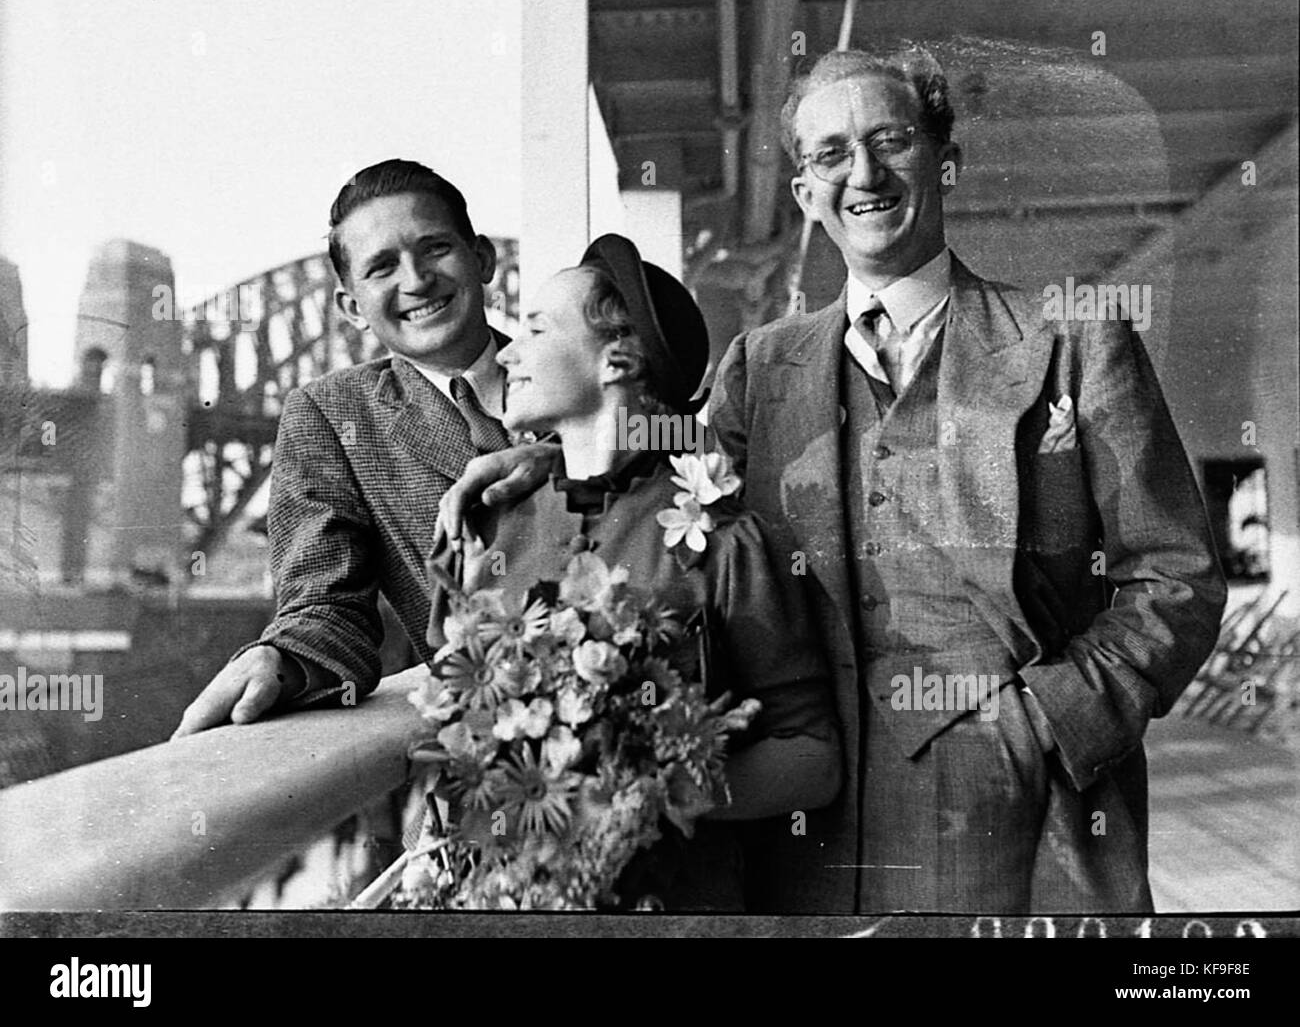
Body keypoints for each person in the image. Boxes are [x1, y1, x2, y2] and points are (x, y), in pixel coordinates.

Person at [444, 47, 1227, 915]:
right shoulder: (762, 365)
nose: (863, 173)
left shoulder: (1073, 342)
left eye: (890, 140)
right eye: (828, 156)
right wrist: (547, 459)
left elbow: (1174, 576)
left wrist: (1049, 719)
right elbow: (668, 490)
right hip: (807, 831)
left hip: (1028, 827)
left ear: (945, 160)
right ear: (805, 195)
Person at [426, 235, 841, 909]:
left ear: (618, 359)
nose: (505, 352)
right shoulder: (490, 522)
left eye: (533, 329)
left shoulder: (721, 537)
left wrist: (647, 799)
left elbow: (813, 756)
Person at [172, 159, 556, 737]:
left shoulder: (574, 369)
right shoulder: (330, 415)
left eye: (434, 249)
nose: (416, 280)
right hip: (495, 755)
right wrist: (283, 660)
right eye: (382, 268)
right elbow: (325, 604)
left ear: (482, 260)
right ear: (352, 307)